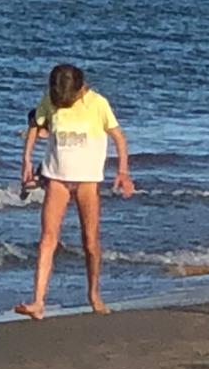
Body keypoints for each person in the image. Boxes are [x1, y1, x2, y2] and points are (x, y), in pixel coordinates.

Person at [13, 63, 134, 320]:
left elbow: (119, 137)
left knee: (90, 242)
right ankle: (38, 301)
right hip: (56, 178)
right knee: (47, 238)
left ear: (80, 89)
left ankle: (94, 294)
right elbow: (36, 124)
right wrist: (26, 159)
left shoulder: (97, 104)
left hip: (88, 181)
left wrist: (123, 172)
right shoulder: (51, 99)